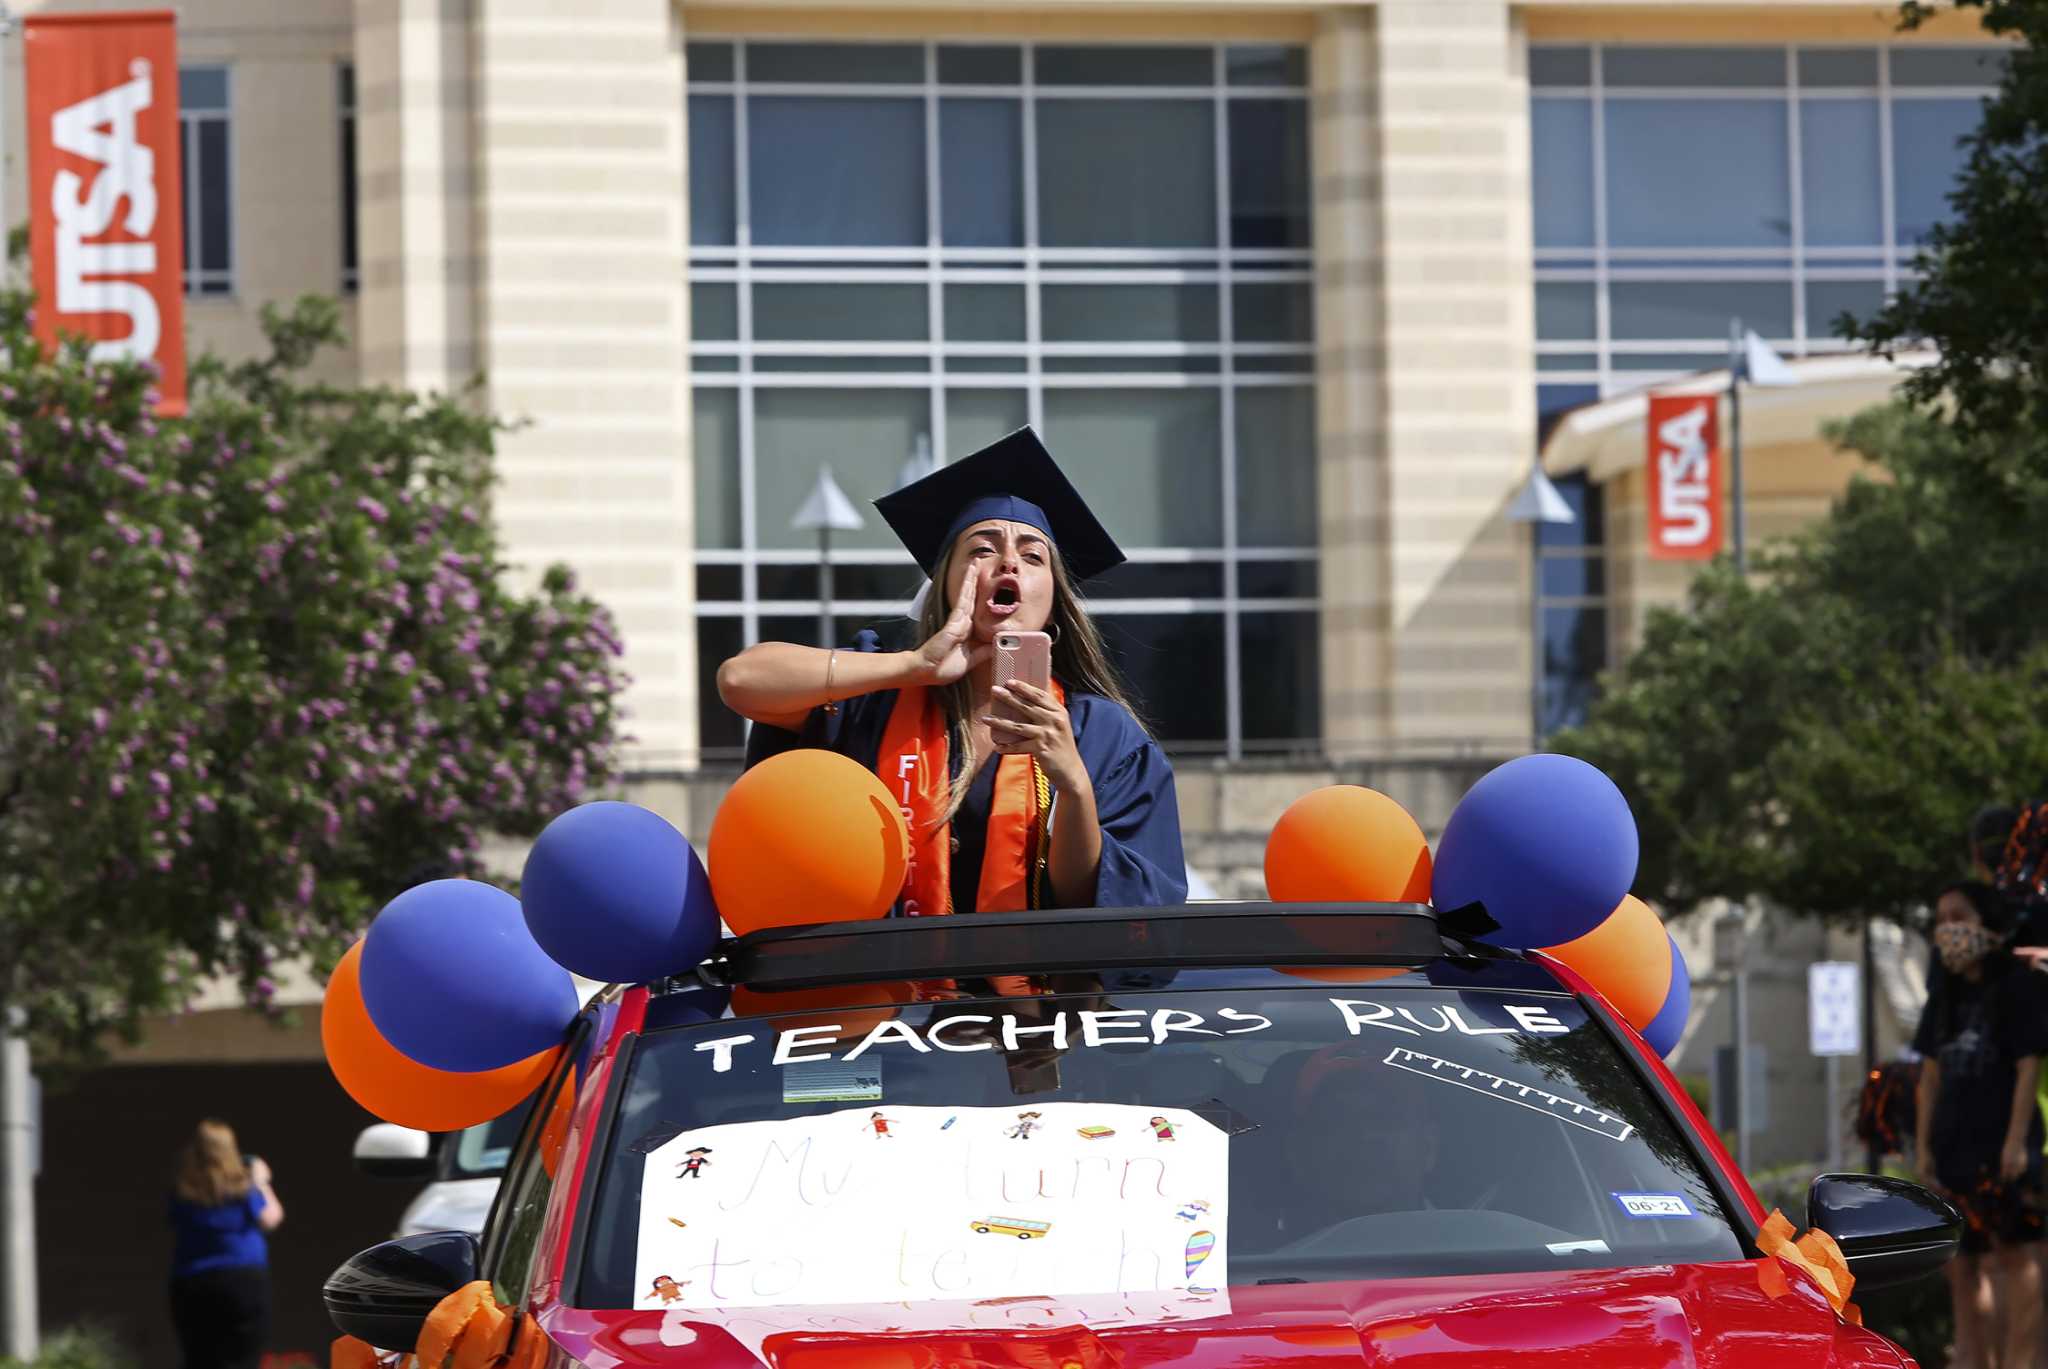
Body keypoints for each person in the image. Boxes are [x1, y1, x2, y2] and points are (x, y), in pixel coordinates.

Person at [717, 427, 1186, 919]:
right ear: (945, 586)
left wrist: (1072, 784)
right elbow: (740, 681)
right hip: (883, 988)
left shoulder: (1102, 735)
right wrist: (914, 666)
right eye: (982, 549)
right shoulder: (876, 694)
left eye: (1032, 556)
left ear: (1053, 603)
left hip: (1036, 992)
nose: (1008, 561)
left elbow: (1096, 907)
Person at [1913, 881, 2048, 1369]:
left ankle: (2021, 1360)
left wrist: (2015, 1142)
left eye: (1959, 916)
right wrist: (1924, 1148)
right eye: (1942, 918)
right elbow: (1928, 1075)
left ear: (1987, 925)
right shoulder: (1943, 997)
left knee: (2016, 1257)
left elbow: (2027, 1067)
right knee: (1963, 1263)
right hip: (1953, 1149)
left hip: (2004, 1150)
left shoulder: (2014, 986)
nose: (1949, 929)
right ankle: (1972, 1358)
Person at [167, 1119, 282, 1369]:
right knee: (244, 1359)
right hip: (242, 1281)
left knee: (198, 1359)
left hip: (192, 1283)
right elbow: (271, 1218)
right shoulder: (243, 1186)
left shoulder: (184, 1188)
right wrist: (261, 1181)